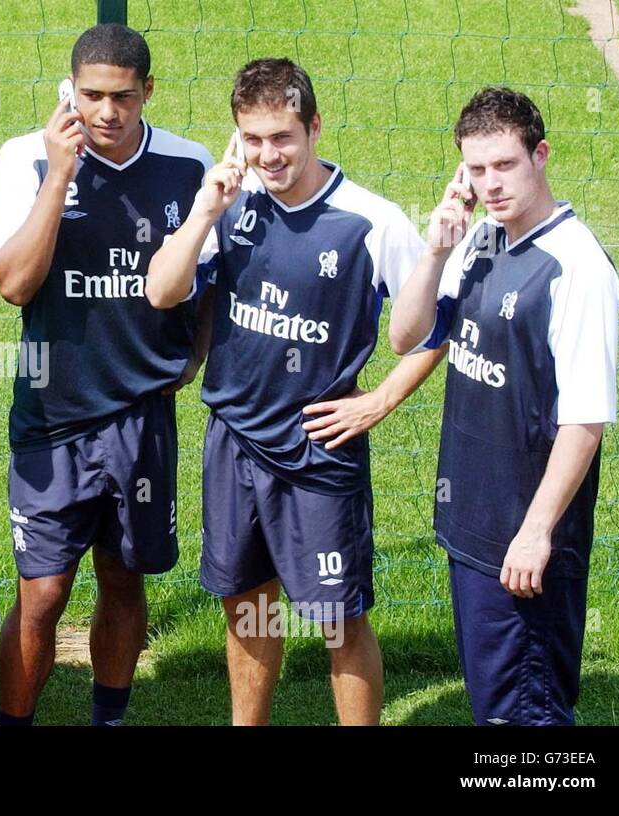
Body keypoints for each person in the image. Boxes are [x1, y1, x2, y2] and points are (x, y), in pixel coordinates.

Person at [147, 57, 444, 725]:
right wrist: (205, 211)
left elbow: (435, 323)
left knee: (340, 619)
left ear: (314, 128)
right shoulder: (230, 205)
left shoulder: (370, 220)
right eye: (252, 139)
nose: (268, 155)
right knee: (247, 606)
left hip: (318, 452)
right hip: (234, 441)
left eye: (282, 137)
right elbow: (162, 291)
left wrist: (381, 399)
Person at [0, 23, 216, 726]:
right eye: (91, 96)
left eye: (122, 97)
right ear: (70, 89)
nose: (106, 112)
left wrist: (194, 357)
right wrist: (61, 174)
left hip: (142, 418)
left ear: (148, 91)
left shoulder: (187, 164)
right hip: (52, 415)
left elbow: (214, 278)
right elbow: (14, 284)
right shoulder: (27, 158)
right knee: (43, 592)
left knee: (123, 579)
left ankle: (108, 719)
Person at [388, 87, 619, 725]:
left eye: (504, 165)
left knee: (528, 713)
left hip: (525, 540)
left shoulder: (576, 267)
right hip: (473, 523)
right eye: (476, 169)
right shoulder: (481, 241)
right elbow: (405, 337)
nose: (489, 184)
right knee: (496, 707)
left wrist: (536, 533)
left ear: (540, 155)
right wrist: (436, 249)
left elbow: (585, 420)